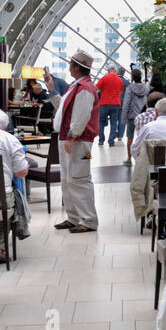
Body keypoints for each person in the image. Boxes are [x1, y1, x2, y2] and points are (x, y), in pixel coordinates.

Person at [52, 50, 100, 233]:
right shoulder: (77, 86)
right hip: (70, 139)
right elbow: (64, 110)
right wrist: (51, 90)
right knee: (68, 179)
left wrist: (72, 136)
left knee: (79, 178)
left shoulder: (85, 89)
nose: (68, 68)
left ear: (77, 67)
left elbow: (81, 116)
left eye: (70, 64)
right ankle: (73, 217)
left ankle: (88, 220)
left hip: (78, 141)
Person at [0, 108, 31, 263]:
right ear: (5, 126)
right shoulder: (10, 139)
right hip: (0, 199)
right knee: (14, 205)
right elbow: (22, 172)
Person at [119, 66, 151, 165]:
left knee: (130, 138)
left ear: (132, 77)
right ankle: (142, 158)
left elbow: (126, 104)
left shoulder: (130, 88)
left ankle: (129, 158)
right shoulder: (146, 88)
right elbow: (148, 102)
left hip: (132, 117)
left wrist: (123, 119)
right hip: (143, 116)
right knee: (142, 137)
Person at [96, 64, 126, 146]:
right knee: (113, 122)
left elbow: (96, 89)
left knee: (101, 121)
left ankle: (101, 140)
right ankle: (111, 141)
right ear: (115, 71)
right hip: (115, 104)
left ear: (108, 71)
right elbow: (120, 92)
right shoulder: (119, 80)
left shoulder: (104, 78)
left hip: (104, 103)